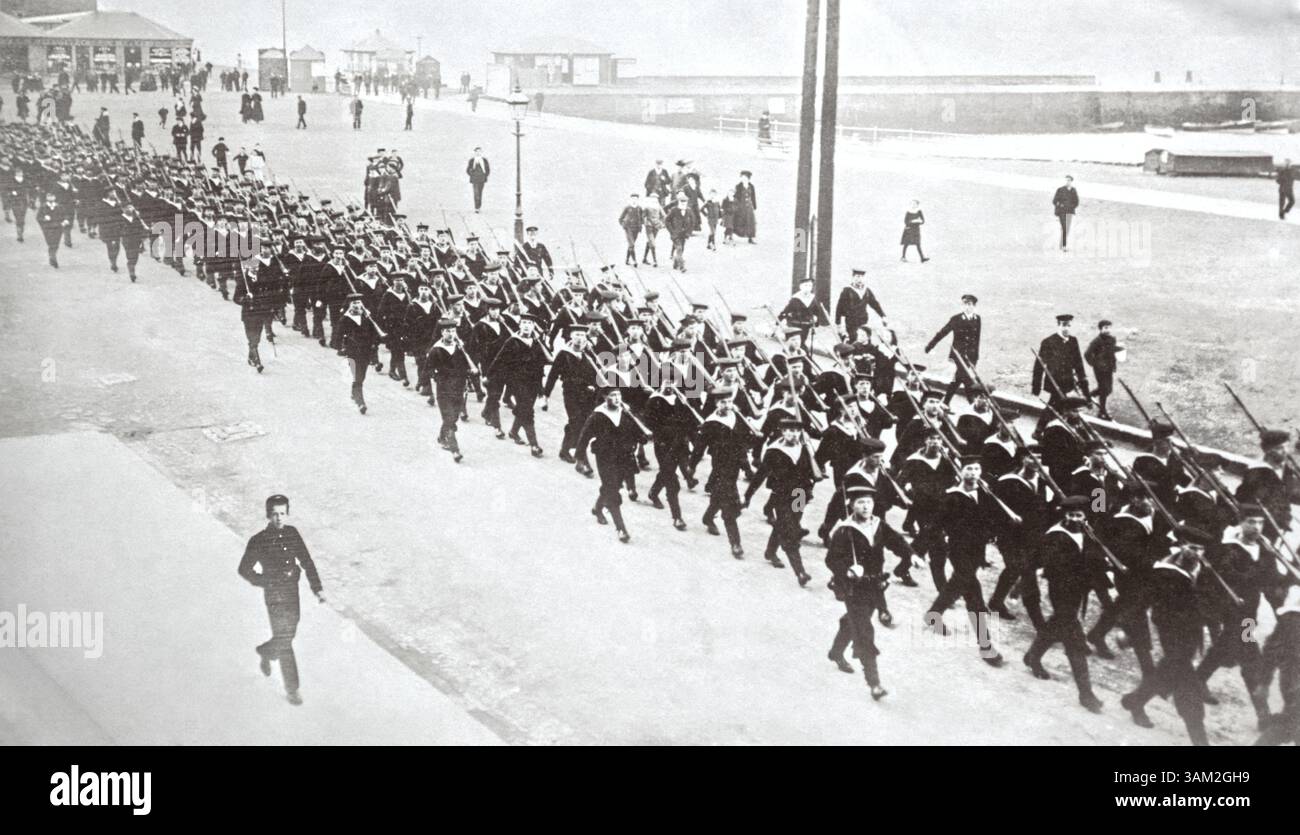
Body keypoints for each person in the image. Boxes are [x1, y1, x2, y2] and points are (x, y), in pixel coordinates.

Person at [237, 494, 325, 707]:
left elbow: (306, 561)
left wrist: (317, 588)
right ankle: (292, 690)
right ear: (268, 514)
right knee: (285, 640)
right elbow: (244, 569)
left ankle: (267, 651)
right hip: (274, 595)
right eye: (274, 514)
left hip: (292, 592)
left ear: (287, 514)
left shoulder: (293, 533)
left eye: (282, 513)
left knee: (289, 634)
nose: (278, 518)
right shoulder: (258, 540)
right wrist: (265, 581)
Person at [826, 485, 911, 699]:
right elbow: (831, 559)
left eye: (869, 502)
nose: (865, 506)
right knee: (864, 630)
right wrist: (847, 570)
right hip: (852, 588)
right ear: (851, 505)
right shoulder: (844, 530)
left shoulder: (878, 525)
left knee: (854, 620)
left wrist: (911, 555)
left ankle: (836, 652)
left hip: (875, 586)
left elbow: (896, 542)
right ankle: (874, 683)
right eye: (860, 502)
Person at [1022, 496, 1106, 713]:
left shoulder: (1087, 532)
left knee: (1057, 624)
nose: (1075, 519)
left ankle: (1033, 656)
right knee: (1074, 640)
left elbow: (1094, 556)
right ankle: (1086, 694)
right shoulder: (1057, 536)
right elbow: (1055, 568)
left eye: (1079, 515)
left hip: (1078, 590)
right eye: (1071, 515)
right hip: (1062, 590)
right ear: (1064, 514)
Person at [575, 387, 649, 543]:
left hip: (623, 456)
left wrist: (642, 437)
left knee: (614, 486)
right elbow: (584, 436)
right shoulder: (597, 416)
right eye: (613, 395)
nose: (617, 398)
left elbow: (635, 430)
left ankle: (597, 508)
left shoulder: (625, 413)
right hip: (605, 456)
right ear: (604, 397)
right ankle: (621, 528)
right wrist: (580, 458)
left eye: (619, 395)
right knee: (612, 490)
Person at [1030, 313, 1090, 436]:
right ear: (1058, 326)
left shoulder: (1073, 341)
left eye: (1068, 325)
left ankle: (1042, 430)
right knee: (1058, 404)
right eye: (1063, 325)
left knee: (1058, 406)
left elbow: (1079, 364)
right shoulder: (1048, 342)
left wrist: (1085, 388)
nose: (1066, 328)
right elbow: (1039, 366)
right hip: (1054, 382)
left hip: (1068, 382)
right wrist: (1036, 386)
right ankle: (1041, 430)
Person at [426, 318, 472, 462]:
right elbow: (427, 369)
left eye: (453, 331)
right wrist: (434, 377)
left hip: (459, 388)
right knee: (449, 418)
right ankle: (455, 450)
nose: (451, 334)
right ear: (442, 333)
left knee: (453, 417)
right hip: (443, 389)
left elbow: (467, 365)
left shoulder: (460, 347)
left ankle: (441, 436)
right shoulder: (436, 349)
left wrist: (469, 376)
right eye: (448, 331)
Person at [923, 294, 981, 404]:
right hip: (957, 357)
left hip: (970, 358)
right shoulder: (956, 319)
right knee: (966, 381)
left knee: (959, 380)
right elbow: (943, 332)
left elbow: (977, 339)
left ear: (974, 306)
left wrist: (976, 358)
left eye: (969, 304)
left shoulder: (977, 319)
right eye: (964, 304)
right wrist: (930, 346)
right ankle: (972, 405)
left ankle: (946, 403)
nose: (966, 307)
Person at [1083, 319, 1118, 420]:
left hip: (1109, 368)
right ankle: (1102, 412)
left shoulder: (1112, 339)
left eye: (1109, 328)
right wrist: (1095, 364)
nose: (1108, 330)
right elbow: (1087, 354)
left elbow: (1112, 353)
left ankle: (1089, 396)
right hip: (1100, 370)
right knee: (1104, 389)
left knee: (1108, 389)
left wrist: (1114, 364)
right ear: (1101, 329)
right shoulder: (1097, 341)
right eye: (1105, 328)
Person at [36, 189, 70, 267]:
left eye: (52, 196)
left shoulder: (59, 206)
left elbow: (65, 215)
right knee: (51, 243)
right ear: (47, 197)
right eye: (49, 196)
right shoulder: (43, 207)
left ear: (55, 197)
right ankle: (53, 258)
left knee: (56, 243)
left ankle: (52, 256)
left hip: (58, 227)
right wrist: (44, 219)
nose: (51, 198)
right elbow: (38, 217)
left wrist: (65, 220)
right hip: (48, 228)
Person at [665, 191, 693, 272]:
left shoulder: (689, 211)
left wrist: (689, 232)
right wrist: (671, 231)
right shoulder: (674, 210)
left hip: (684, 235)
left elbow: (692, 222)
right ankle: (682, 267)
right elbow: (667, 221)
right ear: (679, 202)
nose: (683, 204)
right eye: (682, 202)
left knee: (681, 249)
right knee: (679, 248)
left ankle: (675, 263)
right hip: (675, 234)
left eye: (685, 203)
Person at [1052, 174, 1079, 251]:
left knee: (1067, 229)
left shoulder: (1073, 190)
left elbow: (1076, 202)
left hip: (1069, 212)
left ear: (1071, 181)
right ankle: (1064, 246)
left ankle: (1062, 245)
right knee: (1064, 227)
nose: (1068, 182)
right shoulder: (1060, 190)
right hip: (1062, 211)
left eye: (1069, 180)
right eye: (1066, 180)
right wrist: (1060, 205)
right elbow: (1054, 201)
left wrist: (1072, 207)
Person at [731, 170, 757, 243]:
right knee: (737, 221)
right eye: (742, 177)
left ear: (748, 178)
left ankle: (750, 238)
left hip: (749, 207)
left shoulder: (751, 186)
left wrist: (754, 206)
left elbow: (753, 196)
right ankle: (730, 235)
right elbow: (735, 196)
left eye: (745, 178)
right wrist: (734, 205)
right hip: (740, 206)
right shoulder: (738, 186)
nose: (743, 179)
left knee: (750, 222)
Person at [618, 193, 642, 265]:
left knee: (631, 245)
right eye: (633, 199)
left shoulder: (639, 208)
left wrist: (641, 224)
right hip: (628, 228)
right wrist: (624, 225)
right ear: (630, 199)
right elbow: (620, 218)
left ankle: (627, 259)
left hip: (636, 229)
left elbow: (641, 218)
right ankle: (635, 261)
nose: (634, 200)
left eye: (636, 199)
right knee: (632, 244)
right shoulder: (627, 207)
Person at [466, 147, 490, 212]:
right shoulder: (472, 160)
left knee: (480, 192)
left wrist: (485, 175)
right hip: (475, 179)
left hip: (482, 178)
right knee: (476, 193)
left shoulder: (484, 160)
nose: (478, 153)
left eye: (480, 151)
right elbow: (468, 170)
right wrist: (472, 174)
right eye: (477, 151)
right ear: (475, 152)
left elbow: (488, 170)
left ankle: (479, 207)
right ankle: (476, 208)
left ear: (481, 152)